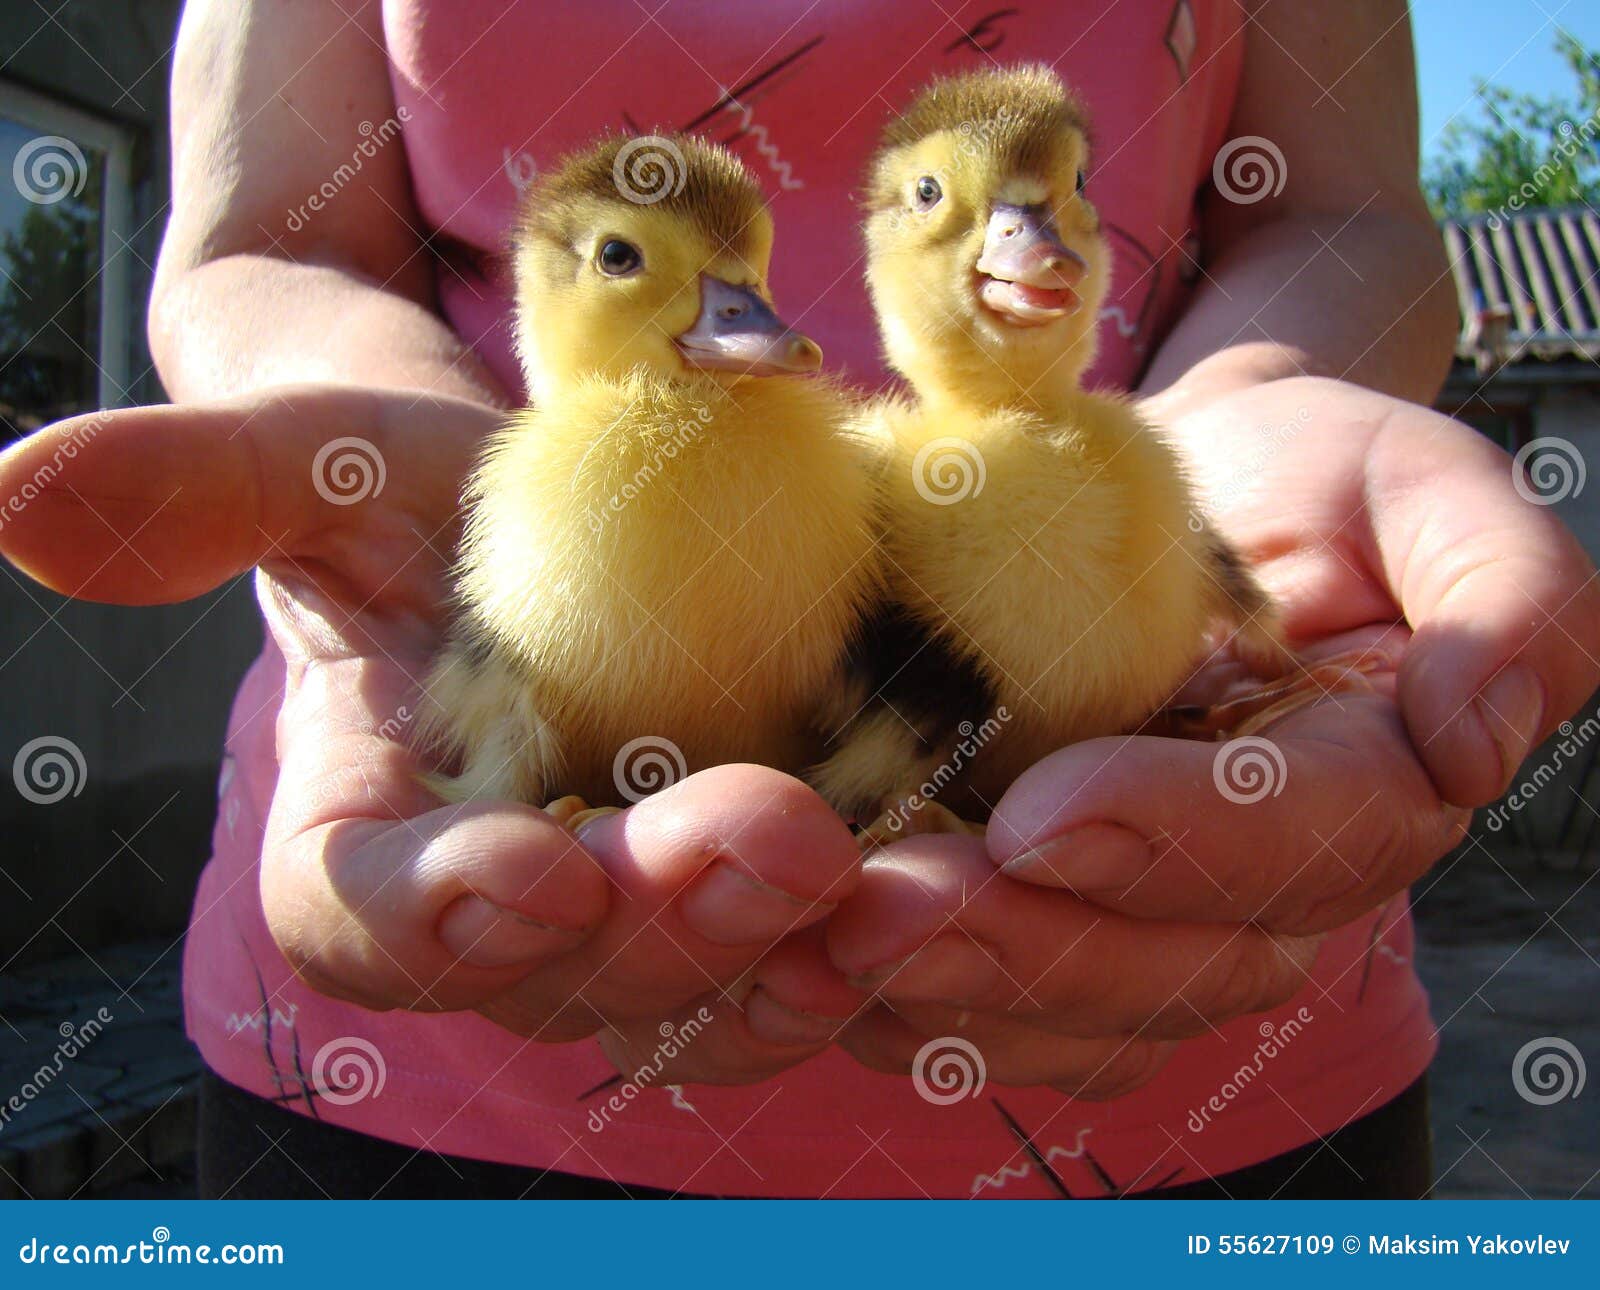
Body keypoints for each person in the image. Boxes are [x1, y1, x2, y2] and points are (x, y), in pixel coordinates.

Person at [3, 0, 1595, 1198]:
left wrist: (1255, 434)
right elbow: (264, 237)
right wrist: (383, 510)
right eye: (654, 274)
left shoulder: (930, 486)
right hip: (424, 1093)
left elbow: (1347, 210)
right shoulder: (588, 502)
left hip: (1231, 1068)